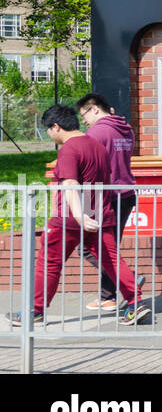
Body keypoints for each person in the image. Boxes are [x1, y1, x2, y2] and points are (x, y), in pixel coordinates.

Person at [6, 105, 150, 328]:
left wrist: (79, 215)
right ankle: (135, 302)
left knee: (49, 263)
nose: (50, 135)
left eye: (49, 130)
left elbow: (70, 183)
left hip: (71, 217)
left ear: (56, 126)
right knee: (111, 260)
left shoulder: (69, 149)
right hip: (100, 212)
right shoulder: (97, 146)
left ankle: (35, 311)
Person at [76, 93, 141, 312]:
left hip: (105, 196)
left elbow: (87, 167)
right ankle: (108, 297)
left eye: (84, 114)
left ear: (94, 109)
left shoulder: (95, 133)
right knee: (108, 247)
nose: (83, 120)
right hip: (126, 193)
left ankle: (128, 280)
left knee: (88, 248)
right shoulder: (126, 128)